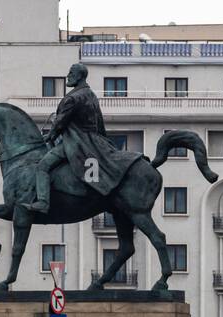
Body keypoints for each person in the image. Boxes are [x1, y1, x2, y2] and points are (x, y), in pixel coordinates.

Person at [23, 63, 138, 216]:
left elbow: (60, 123)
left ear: (79, 76)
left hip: (76, 143)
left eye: (71, 73)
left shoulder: (73, 98)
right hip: (94, 142)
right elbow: (98, 122)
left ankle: (43, 202)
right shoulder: (90, 94)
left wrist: (51, 135)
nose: (68, 76)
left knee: (42, 166)